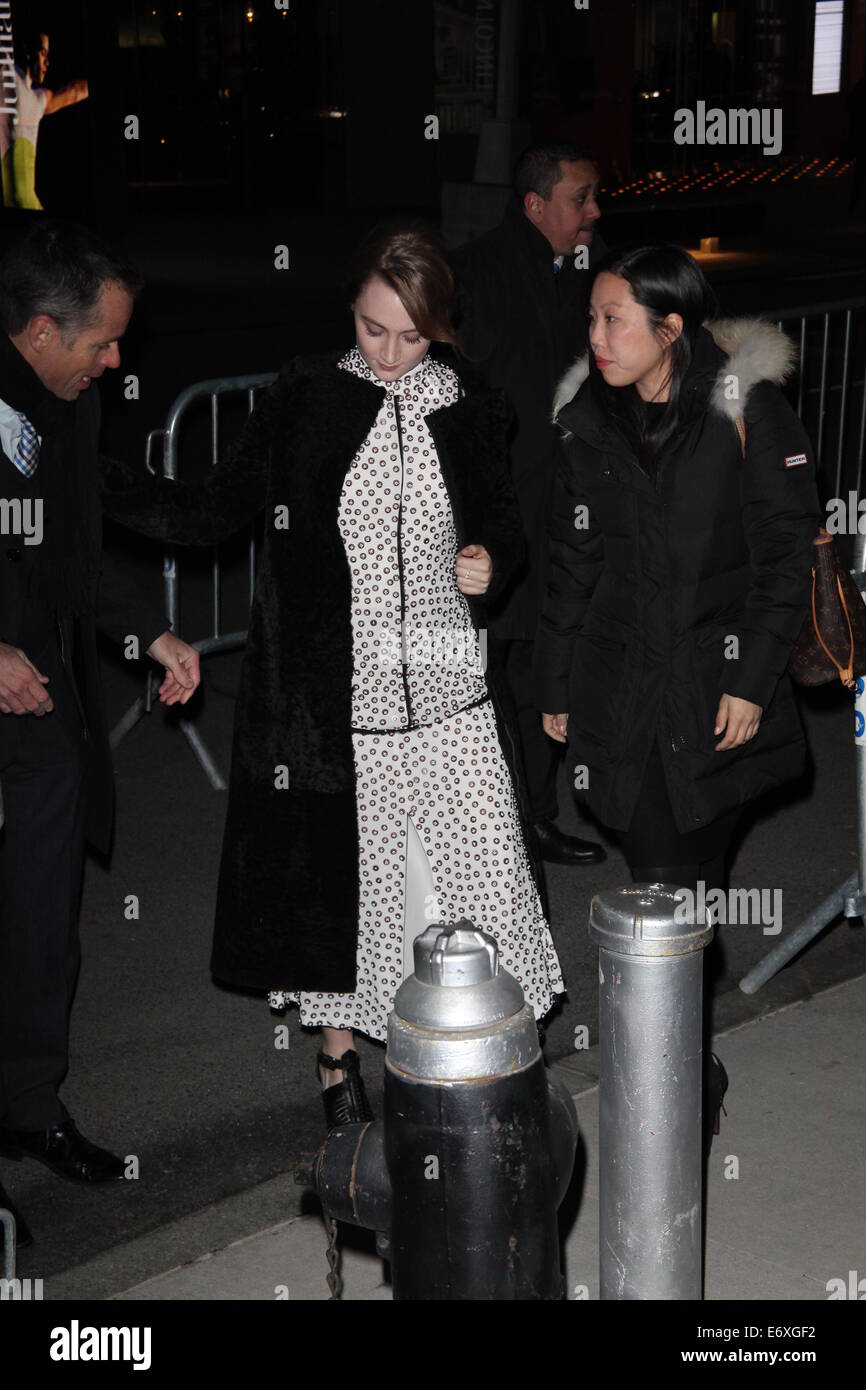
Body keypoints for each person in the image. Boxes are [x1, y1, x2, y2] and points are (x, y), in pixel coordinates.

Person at [101, 223, 566, 1132]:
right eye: (371, 329)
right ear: (349, 316)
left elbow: (504, 528)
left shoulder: (474, 402)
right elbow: (208, 511)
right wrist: (93, 480)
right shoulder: (305, 397)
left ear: (440, 325)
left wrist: (489, 561)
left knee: (487, 885)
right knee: (350, 897)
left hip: (450, 692)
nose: (390, 354)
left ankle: (488, 1055)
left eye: (411, 335)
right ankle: (337, 1062)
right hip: (333, 703)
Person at [533, 244, 821, 1145]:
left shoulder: (744, 410)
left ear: (671, 329)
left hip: (713, 692)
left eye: (614, 318)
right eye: (591, 318)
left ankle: (675, 1091)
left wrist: (750, 676)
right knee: (664, 888)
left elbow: (785, 558)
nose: (597, 336)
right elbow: (575, 560)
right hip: (622, 697)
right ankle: (681, 1068)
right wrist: (554, 680)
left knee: (675, 893)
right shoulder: (589, 421)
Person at [0, 220, 200, 1255]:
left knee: (40, 927)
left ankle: (28, 1108)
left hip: (41, 718)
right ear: (41, 331)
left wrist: (149, 628)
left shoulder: (62, 406)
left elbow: (74, 554)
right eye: (103, 343)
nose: (118, 362)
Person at [453, 142, 607, 868]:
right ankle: (490, 832)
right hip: (495, 518)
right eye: (581, 197)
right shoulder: (477, 273)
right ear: (535, 204)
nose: (594, 211)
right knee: (482, 676)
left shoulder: (586, 279)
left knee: (547, 669)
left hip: (562, 511)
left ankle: (532, 820)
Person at [0, 29, 89, 210]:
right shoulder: (6, 76)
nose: (47, 62)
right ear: (27, 51)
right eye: (43, 53)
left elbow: (75, 91)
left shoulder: (39, 99)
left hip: (32, 208)